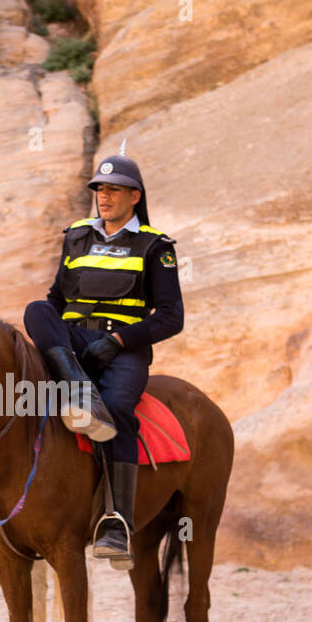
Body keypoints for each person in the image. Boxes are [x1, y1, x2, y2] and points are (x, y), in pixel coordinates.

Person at [23, 153, 183, 567]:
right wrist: (62, 341)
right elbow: (56, 301)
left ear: (135, 195)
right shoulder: (76, 236)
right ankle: (77, 390)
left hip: (123, 350)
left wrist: (117, 341)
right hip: (73, 346)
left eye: (113, 189)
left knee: (116, 412)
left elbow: (171, 317)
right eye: (99, 189)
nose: (103, 196)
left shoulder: (155, 246)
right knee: (36, 311)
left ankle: (117, 523)